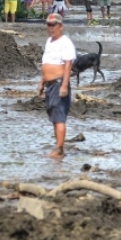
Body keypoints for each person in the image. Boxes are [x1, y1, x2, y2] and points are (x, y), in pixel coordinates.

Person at [36, 13, 76, 158]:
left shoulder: (65, 42)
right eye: (48, 24)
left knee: (59, 117)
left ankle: (59, 148)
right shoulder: (49, 41)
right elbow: (45, 63)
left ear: (61, 26)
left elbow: (68, 65)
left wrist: (64, 85)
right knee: (53, 116)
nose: (51, 28)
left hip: (59, 83)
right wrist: (41, 82)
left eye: (54, 25)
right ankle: (58, 146)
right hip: (50, 85)